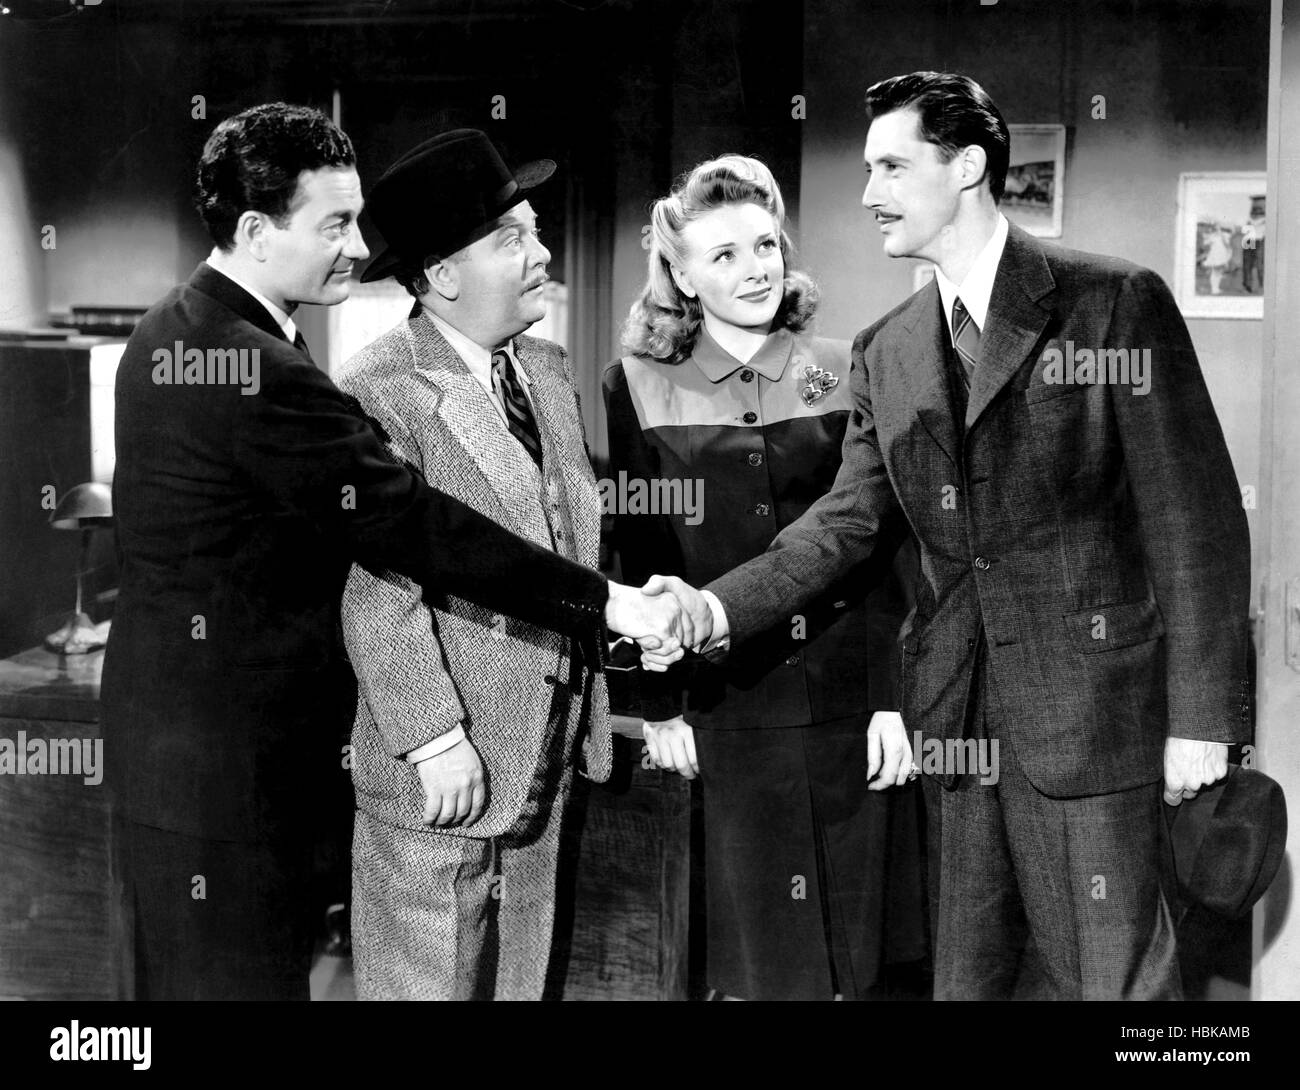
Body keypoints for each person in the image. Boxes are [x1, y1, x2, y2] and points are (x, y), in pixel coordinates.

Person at [653, 72, 1252, 1000]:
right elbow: (844, 525)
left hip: (1096, 729)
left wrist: (1203, 722)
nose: (866, 194)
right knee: (968, 983)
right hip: (959, 737)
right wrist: (708, 609)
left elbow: (1195, 521)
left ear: (967, 167)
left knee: (1121, 988)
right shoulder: (885, 350)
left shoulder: (1112, 302)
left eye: (891, 166)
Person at [102, 104, 688, 1001]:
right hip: (224, 778)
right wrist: (606, 603)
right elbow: (413, 527)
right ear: (257, 232)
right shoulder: (251, 362)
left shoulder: (189, 329)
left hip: (207, 763)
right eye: (334, 224)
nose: (355, 244)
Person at [603, 155, 926, 1000]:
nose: (754, 270)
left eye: (764, 246)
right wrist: (658, 705)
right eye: (723, 256)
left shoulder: (848, 364)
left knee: (866, 957)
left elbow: (888, 538)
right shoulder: (633, 385)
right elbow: (639, 557)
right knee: (752, 964)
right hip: (726, 705)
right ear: (680, 273)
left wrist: (896, 695)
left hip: (849, 700)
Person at [337, 129, 612, 1000]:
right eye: (513, 238)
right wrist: (432, 737)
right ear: (443, 275)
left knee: (521, 983)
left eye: (535, 231)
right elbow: (376, 584)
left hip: (544, 748)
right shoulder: (375, 387)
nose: (542, 254)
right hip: (444, 769)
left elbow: (564, 536)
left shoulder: (545, 366)